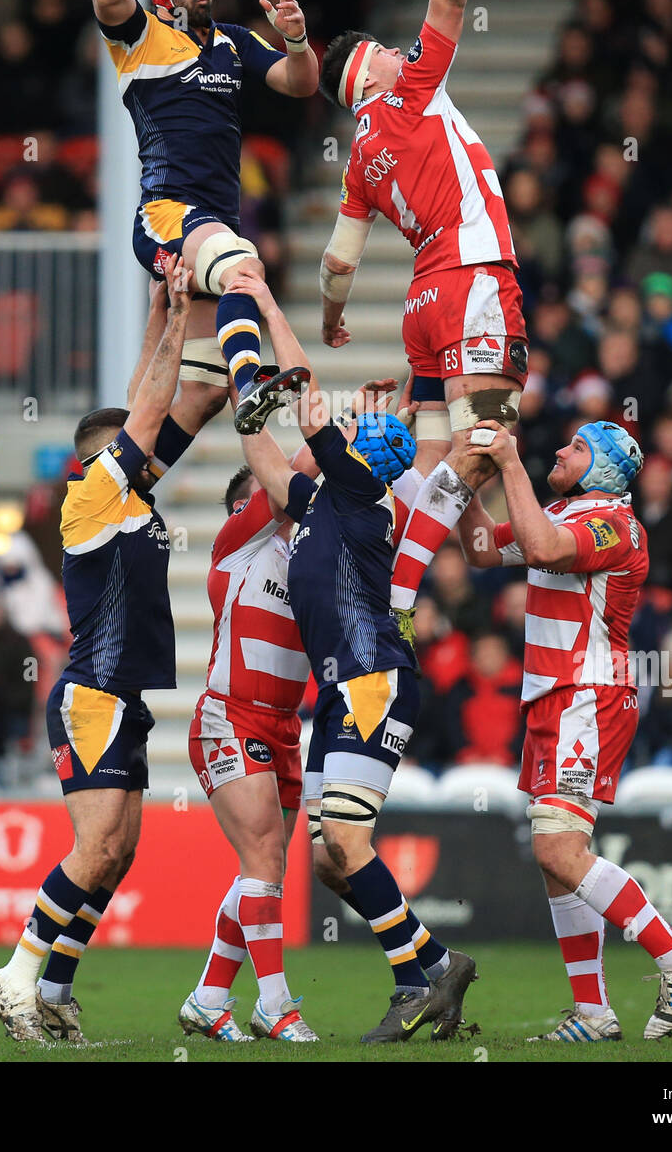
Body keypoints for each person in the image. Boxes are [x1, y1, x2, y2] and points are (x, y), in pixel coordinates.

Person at [228, 272, 478, 1044]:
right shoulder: (321, 503)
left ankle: (425, 974)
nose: (337, 438)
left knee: (344, 842)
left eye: (354, 436)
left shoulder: (365, 498)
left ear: (366, 457)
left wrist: (266, 310)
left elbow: (303, 394)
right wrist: (240, 394)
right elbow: (265, 451)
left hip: (373, 678)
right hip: (342, 689)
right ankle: (429, 969)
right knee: (331, 862)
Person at [431, 418, 672, 1042]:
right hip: (550, 698)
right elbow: (481, 549)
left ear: (606, 469)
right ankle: (593, 1013)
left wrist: (509, 464)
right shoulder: (559, 510)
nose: (560, 450)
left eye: (577, 446)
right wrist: (466, 480)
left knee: (559, 849)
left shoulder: (612, 521)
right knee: (556, 862)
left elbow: (541, 550)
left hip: (588, 695)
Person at [315, 0, 529, 635]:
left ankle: (386, 571)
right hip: (473, 276)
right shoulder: (405, 87)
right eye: (376, 48)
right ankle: (394, 597)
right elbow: (447, 0)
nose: (388, 47)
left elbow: (338, 262)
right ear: (367, 70)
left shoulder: (357, 164)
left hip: (423, 305)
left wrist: (333, 319)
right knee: (487, 444)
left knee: (437, 459)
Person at [0, 254, 191, 1045]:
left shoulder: (121, 498)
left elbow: (140, 393)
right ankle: (16, 974)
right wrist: (178, 320)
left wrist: (155, 309)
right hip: (94, 693)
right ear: (106, 457)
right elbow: (152, 399)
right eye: (133, 445)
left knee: (120, 850)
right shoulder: (98, 492)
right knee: (96, 845)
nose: (149, 450)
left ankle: (55, 987)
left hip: (119, 695)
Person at [183, 374, 394, 1044]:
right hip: (229, 716)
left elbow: (338, 478)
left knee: (262, 867)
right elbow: (287, 466)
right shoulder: (235, 543)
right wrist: (346, 412)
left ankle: (210, 997)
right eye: (260, 492)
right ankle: (273, 1004)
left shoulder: (315, 550)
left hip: (281, 728)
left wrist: (374, 417)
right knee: (264, 858)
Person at [92, 0, 317, 445]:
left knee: (204, 394)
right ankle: (254, 378)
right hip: (168, 215)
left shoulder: (233, 41)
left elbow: (299, 83)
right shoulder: (140, 37)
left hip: (213, 225)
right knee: (244, 266)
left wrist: (299, 40)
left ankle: (135, 477)